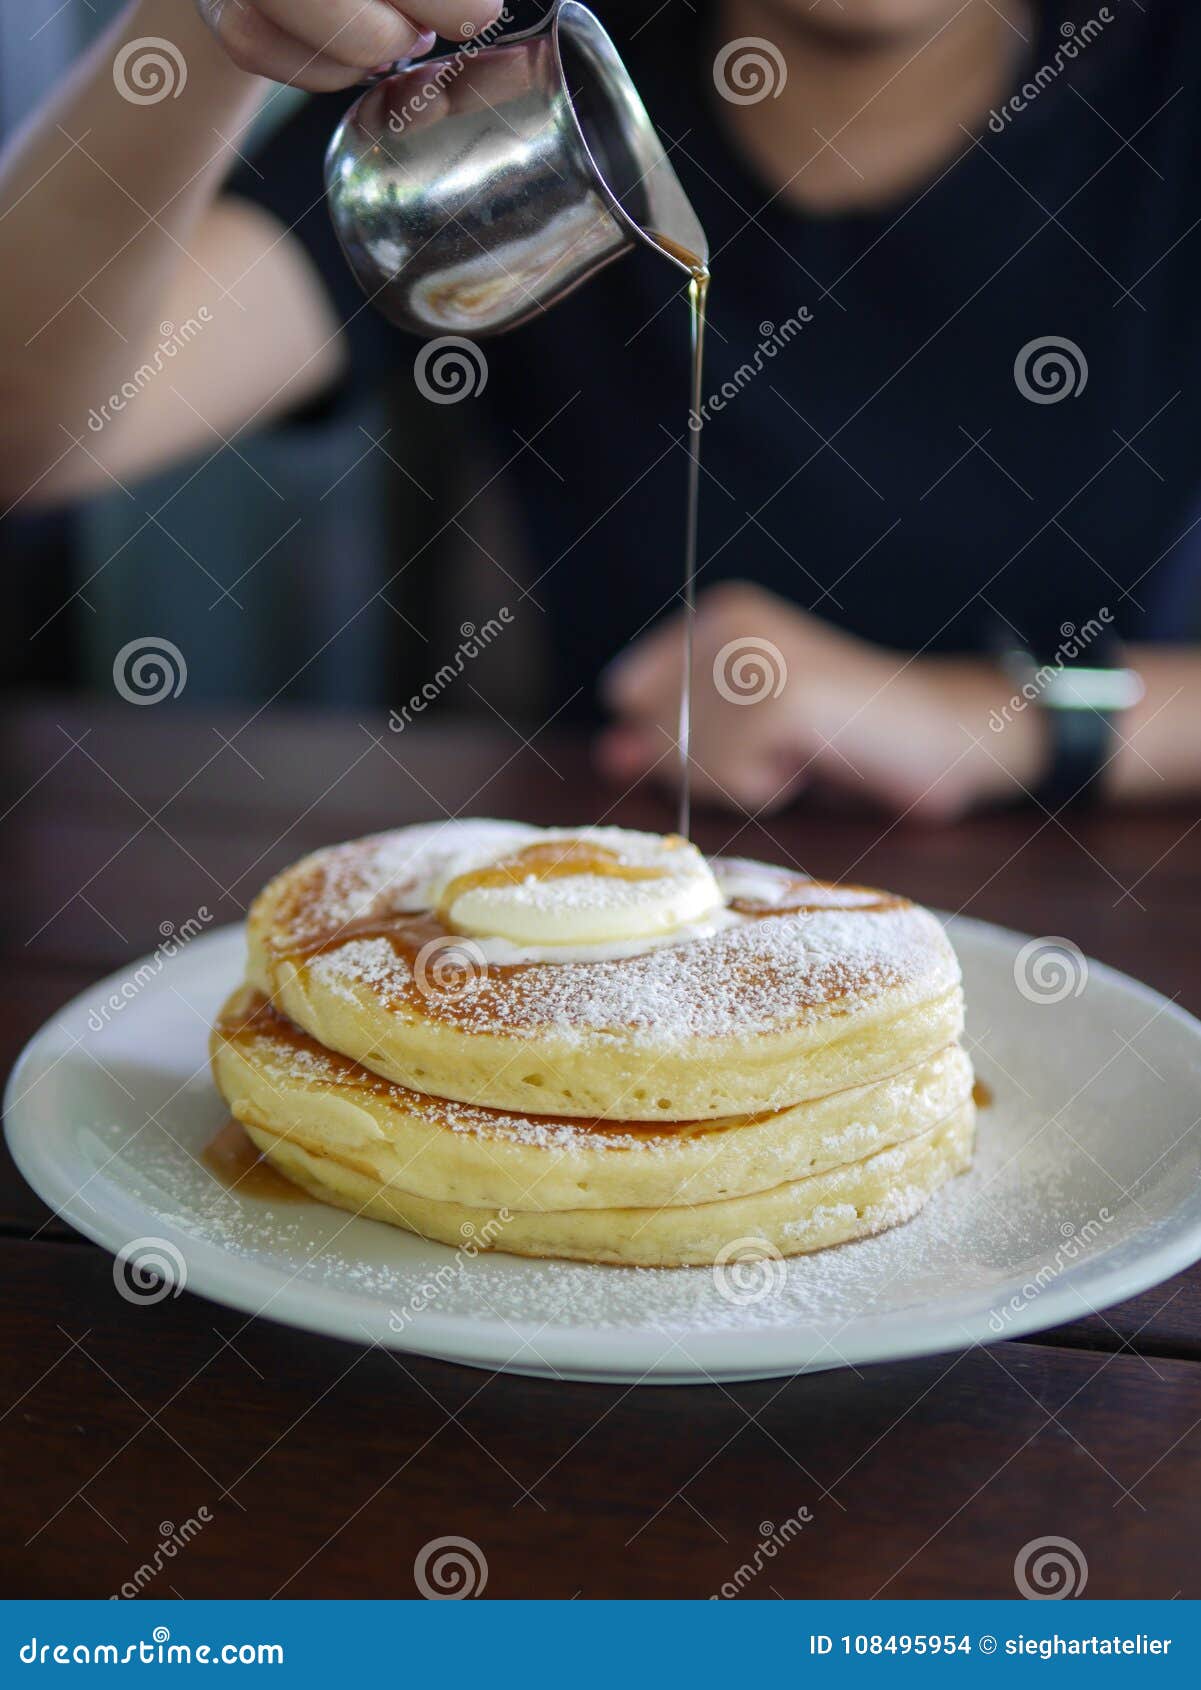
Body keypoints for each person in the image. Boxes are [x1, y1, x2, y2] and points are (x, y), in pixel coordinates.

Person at [3, 0, 1200, 818]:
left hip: (1089, 904)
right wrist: (202, 36)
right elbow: (34, 431)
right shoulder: (522, 80)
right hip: (608, 868)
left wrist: (990, 723)